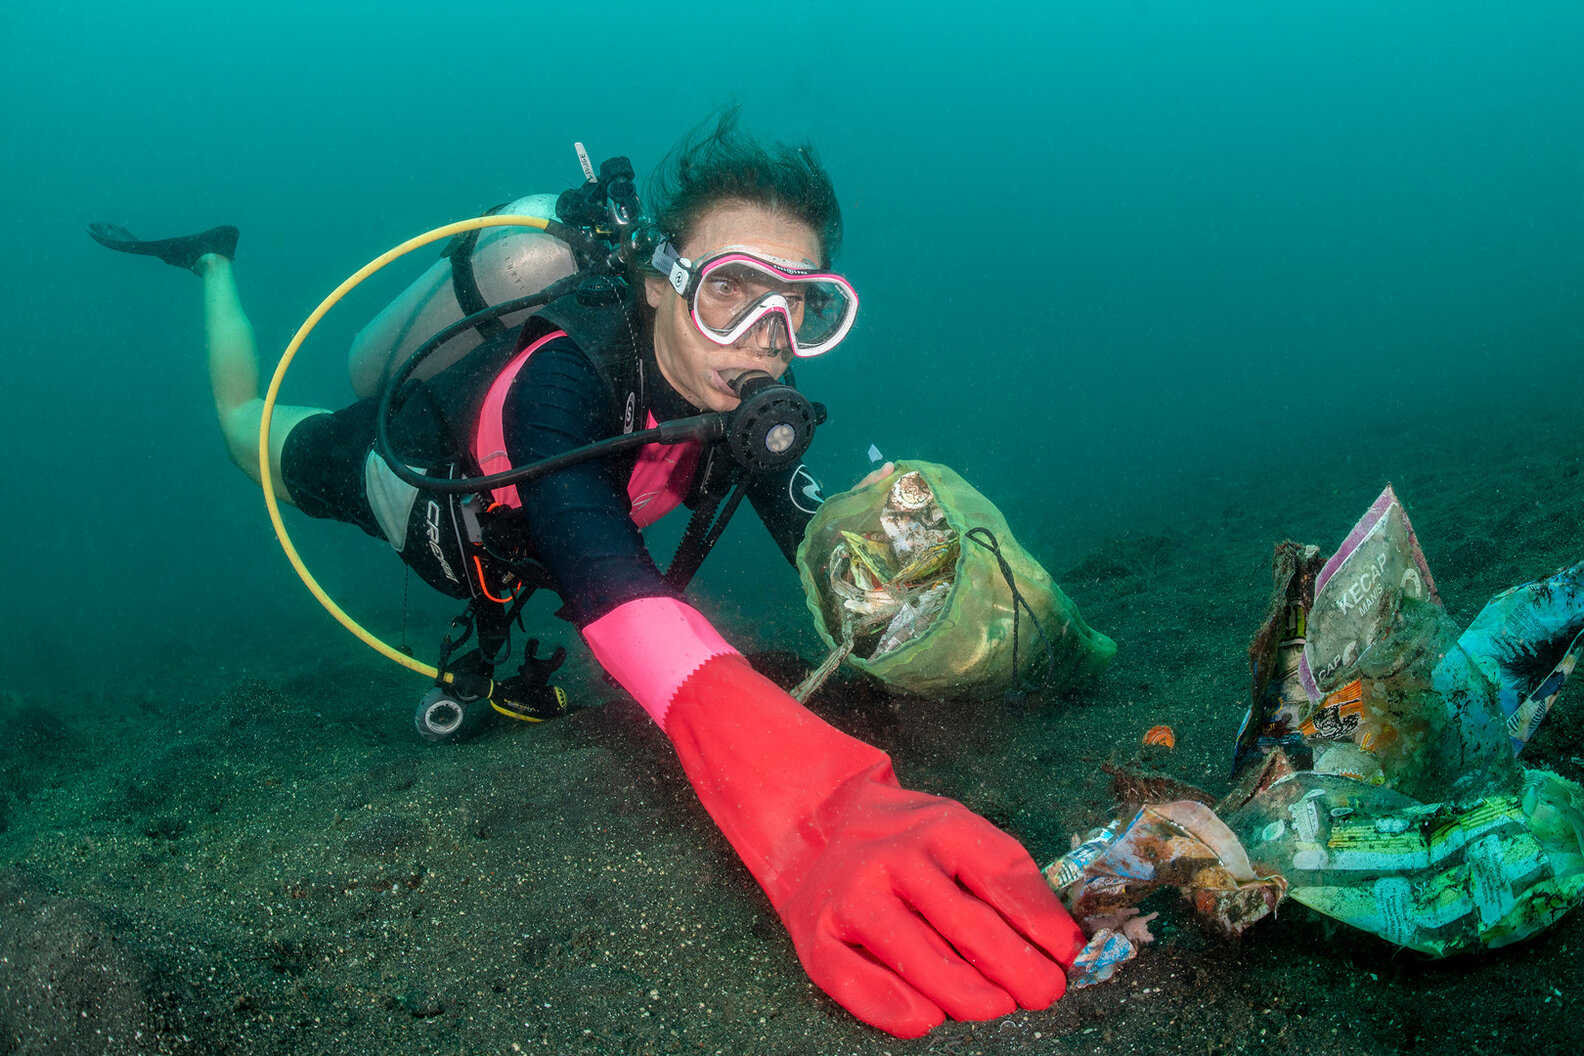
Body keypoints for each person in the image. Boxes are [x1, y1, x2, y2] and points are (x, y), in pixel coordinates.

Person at [89, 112, 1083, 1039]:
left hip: (523, 551)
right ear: (659, 280)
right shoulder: (562, 379)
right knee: (243, 434)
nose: (765, 339)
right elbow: (606, 575)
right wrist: (810, 797)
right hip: (410, 484)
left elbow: (825, 545)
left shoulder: (745, 400)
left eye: (800, 305)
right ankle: (213, 263)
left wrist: (974, 616)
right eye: (731, 289)